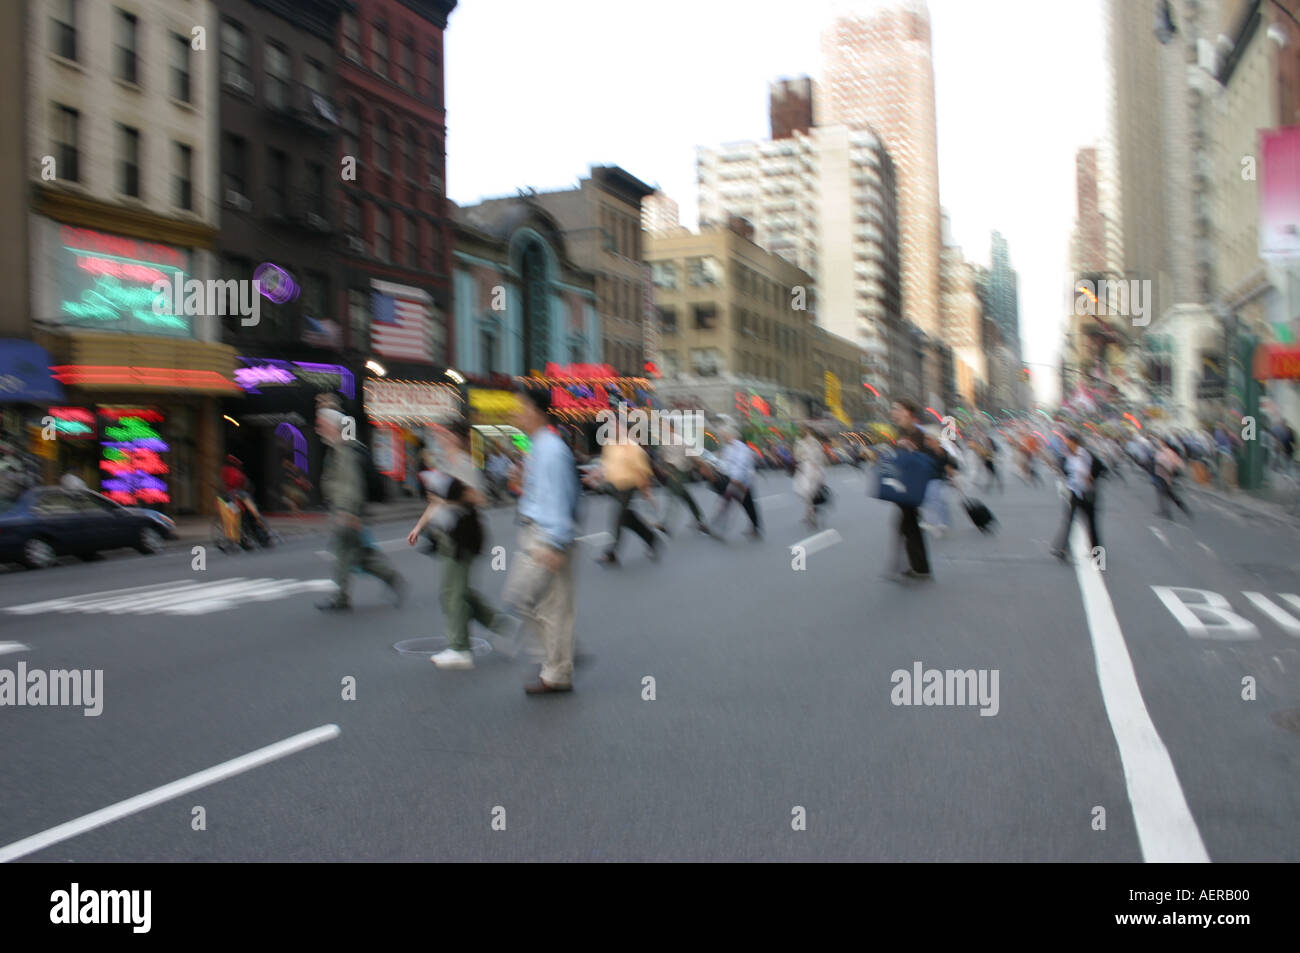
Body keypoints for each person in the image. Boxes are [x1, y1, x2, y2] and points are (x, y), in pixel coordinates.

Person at [407, 421, 507, 670]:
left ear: (456, 438)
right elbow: (436, 502)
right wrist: (419, 527)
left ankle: (460, 649)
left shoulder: (463, 463)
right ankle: (502, 626)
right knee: (460, 591)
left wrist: (456, 494)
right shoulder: (443, 464)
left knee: (453, 594)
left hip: (463, 536)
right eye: (439, 434)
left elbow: (480, 498)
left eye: (444, 434)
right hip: (447, 535)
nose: (440, 438)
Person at [506, 386, 580, 695]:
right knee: (526, 599)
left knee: (547, 605)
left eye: (521, 407)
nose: (515, 412)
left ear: (536, 411)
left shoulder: (551, 449)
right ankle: (556, 659)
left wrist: (555, 542)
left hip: (547, 535)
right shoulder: (539, 446)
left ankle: (558, 672)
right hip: (536, 532)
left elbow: (560, 497)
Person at [315, 407, 406, 611]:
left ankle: (342, 598)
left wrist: (347, 511)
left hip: (347, 511)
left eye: (321, 424)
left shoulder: (343, 449)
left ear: (332, 426)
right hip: (347, 511)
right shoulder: (340, 446)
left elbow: (350, 484)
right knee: (355, 554)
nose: (318, 428)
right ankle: (388, 578)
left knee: (347, 553)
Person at [592, 409, 660, 566]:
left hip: (628, 487)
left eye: (616, 426)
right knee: (629, 519)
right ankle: (652, 538)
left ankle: (612, 554)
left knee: (617, 519)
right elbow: (605, 465)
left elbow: (642, 472)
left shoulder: (633, 447)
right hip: (614, 488)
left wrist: (647, 492)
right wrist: (595, 476)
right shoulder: (609, 445)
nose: (613, 429)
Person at [886, 399, 941, 581]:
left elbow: (931, 457)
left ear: (908, 412)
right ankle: (918, 567)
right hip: (905, 486)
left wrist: (912, 451)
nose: (893, 411)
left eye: (896, 408)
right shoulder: (902, 432)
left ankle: (908, 567)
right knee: (908, 527)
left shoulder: (918, 433)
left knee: (906, 525)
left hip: (913, 487)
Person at [1050, 432, 1101, 564]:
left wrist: (1092, 477)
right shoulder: (1068, 456)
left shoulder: (1086, 455)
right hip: (1075, 493)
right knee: (1069, 521)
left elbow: (1101, 468)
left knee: (1091, 524)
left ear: (1075, 442)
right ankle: (1062, 550)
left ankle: (1097, 554)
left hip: (1088, 494)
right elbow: (1064, 470)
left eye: (1068, 441)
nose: (1066, 443)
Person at [654, 417, 709, 536]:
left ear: (672, 428)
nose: (661, 428)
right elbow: (662, 456)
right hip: (671, 472)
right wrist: (663, 468)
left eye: (663, 426)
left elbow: (694, 457)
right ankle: (700, 521)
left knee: (672, 497)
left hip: (679, 472)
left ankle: (665, 524)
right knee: (685, 497)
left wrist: (703, 467)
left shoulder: (680, 440)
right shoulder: (664, 441)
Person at [709, 426, 761, 539]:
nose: (723, 437)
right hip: (732, 480)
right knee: (726, 502)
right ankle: (719, 527)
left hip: (742, 481)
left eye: (724, 435)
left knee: (747, 505)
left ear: (731, 435)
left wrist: (737, 480)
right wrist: (716, 466)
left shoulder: (740, 448)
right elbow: (726, 464)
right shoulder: (728, 448)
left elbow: (742, 465)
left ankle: (755, 528)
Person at [794, 427, 826, 528]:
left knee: (809, 493)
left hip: (810, 469)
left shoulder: (811, 443)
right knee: (808, 493)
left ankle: (811, 514)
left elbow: (819, 456)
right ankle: (809, 513)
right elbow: (797, 456)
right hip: (807, 468)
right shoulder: (801, 443)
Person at [1153, 437, 1192, 521]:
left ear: (1164, 444)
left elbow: (1178, 462)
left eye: (1160, 443)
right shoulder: (1160, 452)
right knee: (1161, 493)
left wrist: (1174, 469)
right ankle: (1166, 512)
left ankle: (1182, 509)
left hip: (1166, 475)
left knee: (1169, 495)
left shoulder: (1168, 452)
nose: (1159, 444)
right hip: (1160, 475)